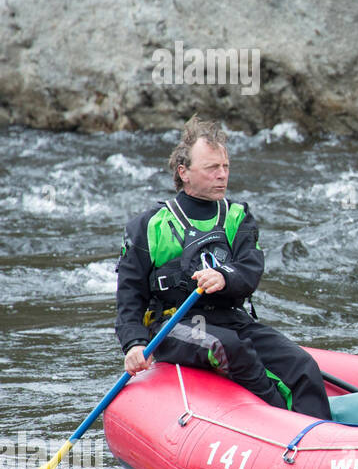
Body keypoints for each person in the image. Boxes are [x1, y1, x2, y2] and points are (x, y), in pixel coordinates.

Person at [114, 116, 331, 419]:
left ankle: (321, 439)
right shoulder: (149, 226)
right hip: (172, 325)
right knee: (226, 347)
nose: (222, 176)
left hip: (230, 319)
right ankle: (281, 419)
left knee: (302, 366)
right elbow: (129, 294)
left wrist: (224, 277)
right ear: (184, 172)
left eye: (225, 167)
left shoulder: (238, 217)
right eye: (212, 168)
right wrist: (134, 343)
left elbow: (250, 271)